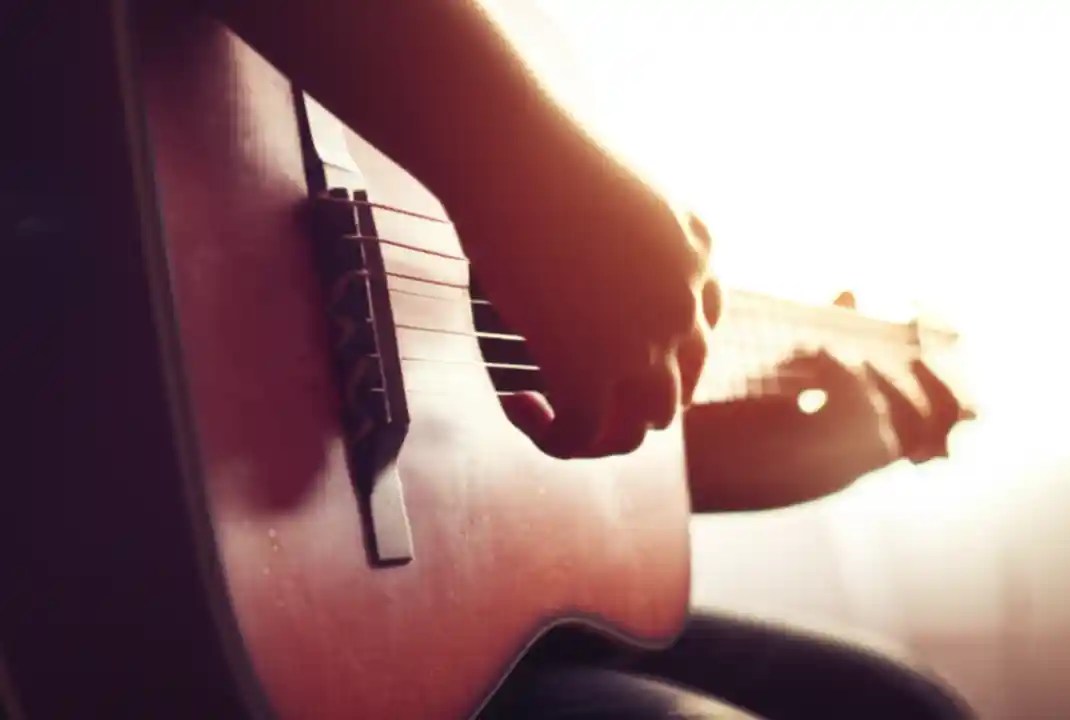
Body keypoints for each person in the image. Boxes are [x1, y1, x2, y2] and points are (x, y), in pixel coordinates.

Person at [209, 2, 974, 717]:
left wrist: (698, 465)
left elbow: (468, 462)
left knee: (899, 705)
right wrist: (525, 168)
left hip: (327, 604)